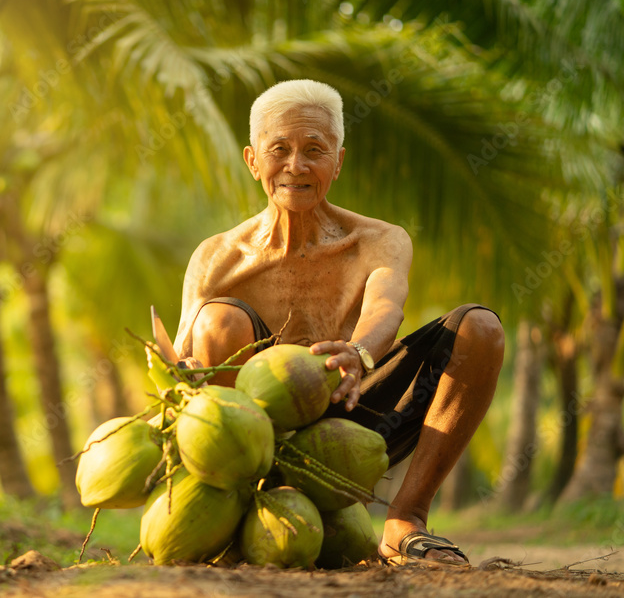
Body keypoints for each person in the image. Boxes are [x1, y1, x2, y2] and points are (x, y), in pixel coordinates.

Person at [172, 79, 504, 565]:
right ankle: (236, 512)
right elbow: (183, 357)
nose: (296, 166)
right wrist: (176, 371)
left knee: (481, 330)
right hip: (260, 443)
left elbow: (385, 307)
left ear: (338, 161)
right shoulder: (217, 258)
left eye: (314, 150)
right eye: (279, 149)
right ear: (252, 160)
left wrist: (360, 351)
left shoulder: (379, 240)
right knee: (217, 321)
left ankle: (405, 522)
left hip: (355, 417)